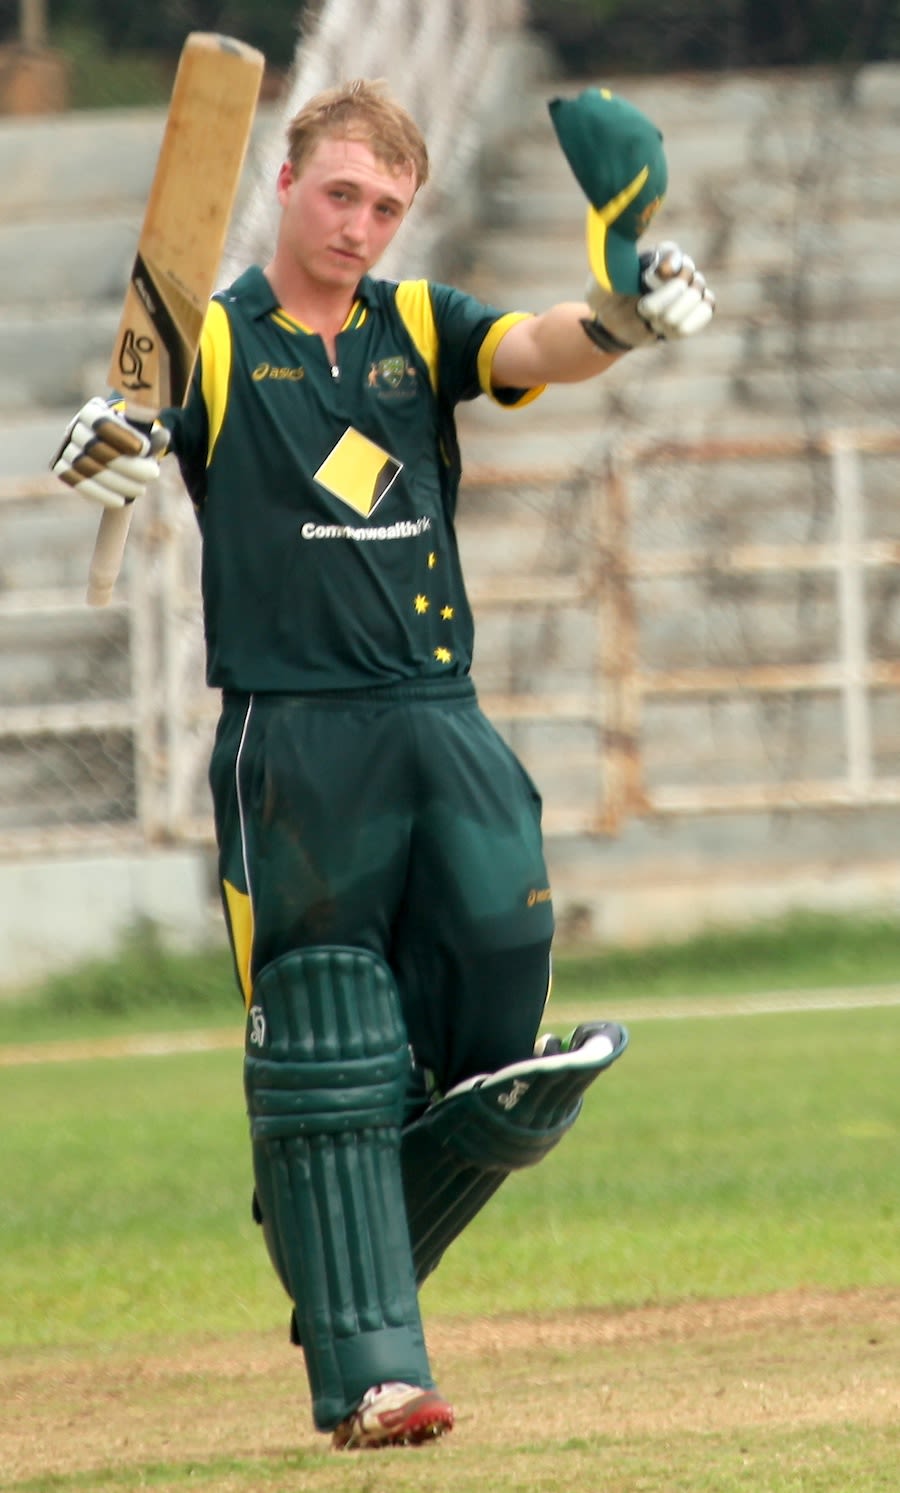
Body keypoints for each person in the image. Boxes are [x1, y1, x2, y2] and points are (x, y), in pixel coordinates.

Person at [52, 79, 715, 1450]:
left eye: (387, 207)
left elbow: (540, 342)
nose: (360, 225)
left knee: (502, 1002)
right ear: (287, 185)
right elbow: (131, 419)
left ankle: (335, 1204)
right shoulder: (213, 338)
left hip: (438, 713)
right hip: (294, 737)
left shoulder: (417, 324)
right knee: (333, 1031)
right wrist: (105, 441)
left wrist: (625, 315)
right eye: (341, 195)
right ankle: (374, 1372)